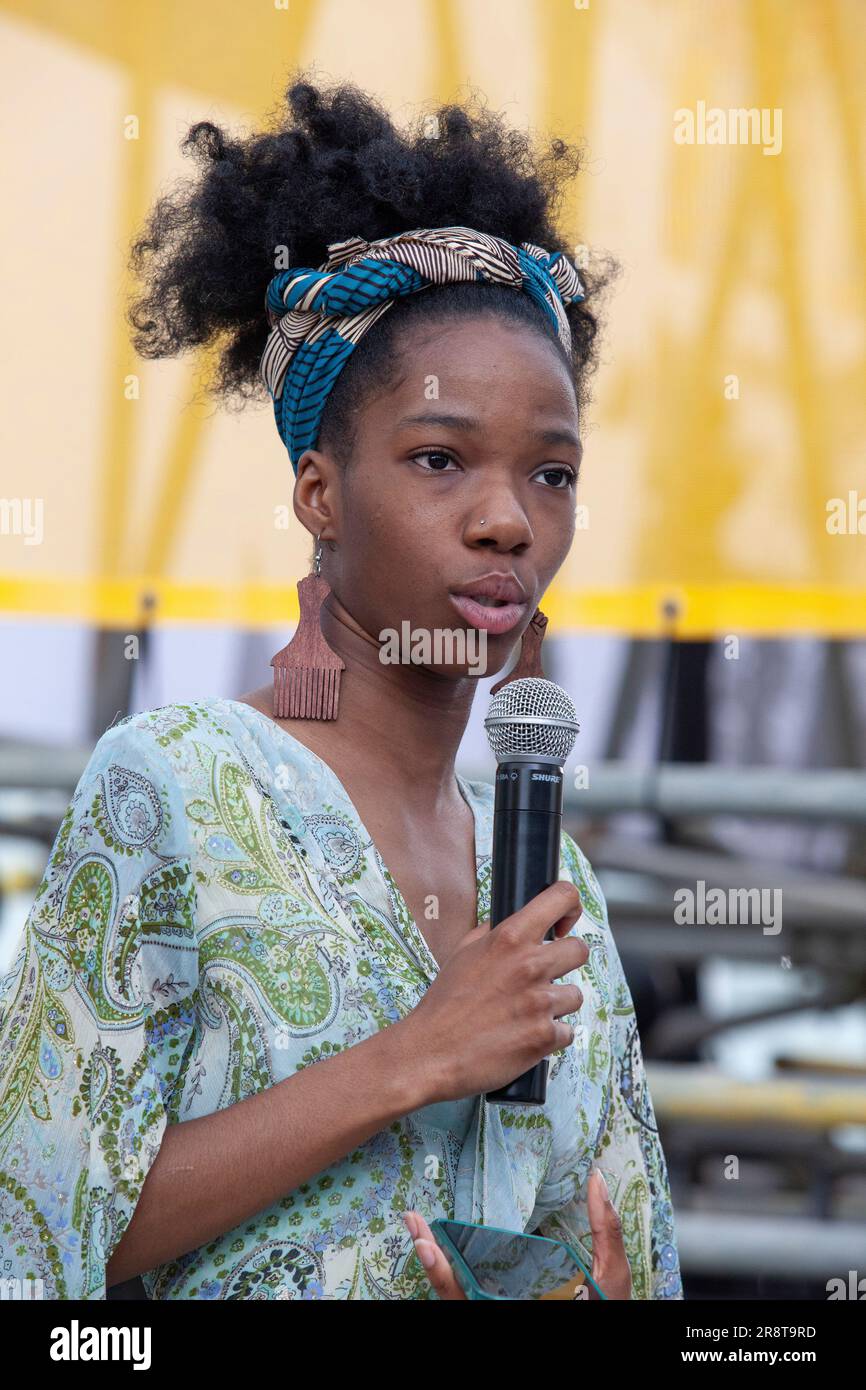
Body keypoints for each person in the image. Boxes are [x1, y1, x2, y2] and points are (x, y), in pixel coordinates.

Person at [0, 74, 682, 1301]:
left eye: (552, 476)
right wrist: (414, 1055)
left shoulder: (553, 882)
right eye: (438, 459)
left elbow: (622, 1243)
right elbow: (42, 1231)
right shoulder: (175, 790)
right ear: (320, 492)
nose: (505, 522)